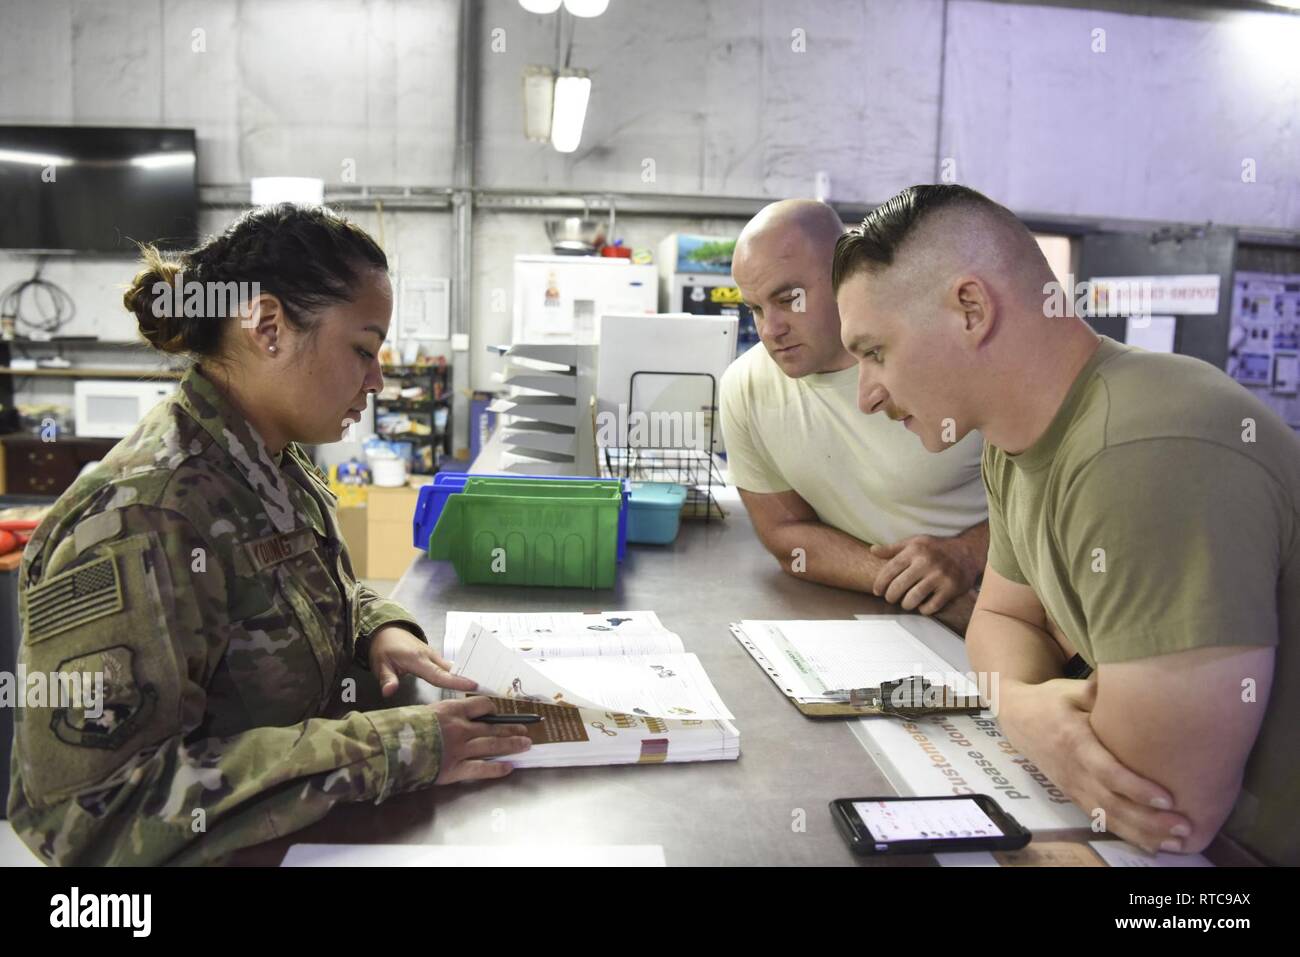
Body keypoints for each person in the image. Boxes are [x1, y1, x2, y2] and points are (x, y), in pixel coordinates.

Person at [8, 203, 532, 866]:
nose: (376, 379)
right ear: (269, 327)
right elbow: (98, 815)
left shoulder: (271, 462)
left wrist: (380, 627)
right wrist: (397, 749)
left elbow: (303, 592)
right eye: (363, 350)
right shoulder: (144, 519)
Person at [833, 183, 1299, 864]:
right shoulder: (1010, 442)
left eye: (875, 352)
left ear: (971, 309)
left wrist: (1019, 703)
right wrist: (1026, 707)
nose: (866, 394)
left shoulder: (1143, 449)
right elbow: (1004, 619)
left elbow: (1163, 807)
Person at [722, 200, 989, 633]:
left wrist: (966, 554)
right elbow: (787, 535)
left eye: (789, 299)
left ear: (843, 273)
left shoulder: (945, 357)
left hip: (1030, 611)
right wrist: (916, 588)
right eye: (754, 307)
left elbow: (1057, 499)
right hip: (902, 621)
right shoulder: (745, 386)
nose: (770, 329)